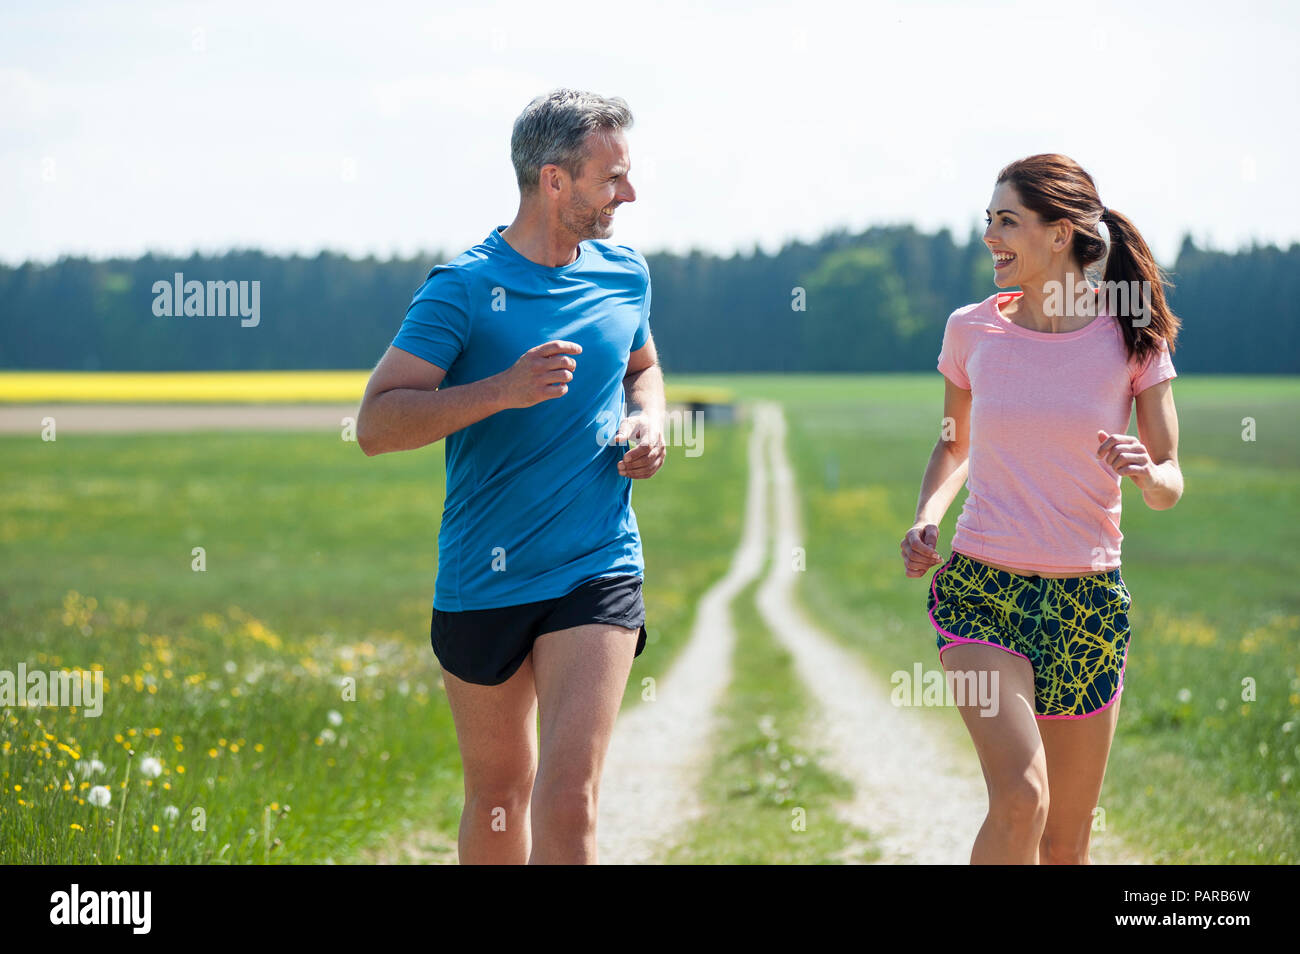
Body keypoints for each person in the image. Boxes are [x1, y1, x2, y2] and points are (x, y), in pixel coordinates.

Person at [356, 89, 666, 865]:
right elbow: (377, 424)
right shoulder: (462, 286)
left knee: (569, 797)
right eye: (612, 178)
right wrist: (500, 390)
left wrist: (648, 420)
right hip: (483, 578)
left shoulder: (625, 274)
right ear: (554, 180)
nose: (628, 194)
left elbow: (645, 367)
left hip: (596, 563)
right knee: (499, 795)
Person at [899, 153, 1183, 864]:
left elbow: (1171, 475)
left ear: (1060, 234)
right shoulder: (972, 330)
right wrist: (928, 513)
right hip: (984, 591)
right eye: (988, 220)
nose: (990, 236)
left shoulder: (1130, 335)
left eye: (1007, 221)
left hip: (1089, 599)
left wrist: (1149, 476)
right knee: (1022, 798)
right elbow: (952, 444)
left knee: (1066, 844)